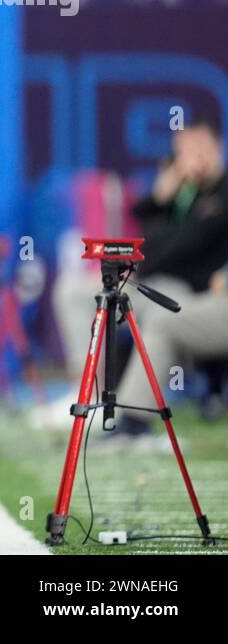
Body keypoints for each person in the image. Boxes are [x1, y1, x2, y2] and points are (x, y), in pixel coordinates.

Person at [99, 116, 228, 448]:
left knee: (162, 318)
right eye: (183, 151)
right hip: (160, 284)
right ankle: (103, 402)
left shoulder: (219, 192)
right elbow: (146, 237)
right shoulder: (181, 193)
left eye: (198, 149)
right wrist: (161, 197)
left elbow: (186, 245)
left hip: (187, 289)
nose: (190, 158)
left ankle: (133, 420)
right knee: (99, 295)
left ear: (216, 147)